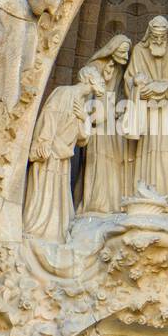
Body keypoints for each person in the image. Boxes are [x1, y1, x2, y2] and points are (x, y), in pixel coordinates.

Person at [122, 16, 168, 214]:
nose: (159, 41)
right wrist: (137, 85)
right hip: (147, 113)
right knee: (146, 153)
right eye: (155, 37)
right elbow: (130, 81)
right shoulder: (138, 51)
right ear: (149, 35)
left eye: (163, 37)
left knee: (167, 157)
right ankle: (145, 200)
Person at [24, 72, 101, 241]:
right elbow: (50, 114)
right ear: (89, 79)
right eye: (99, 79)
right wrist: (44, 140)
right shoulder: (64, 92)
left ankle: (53, 232)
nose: (101, 83)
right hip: (50, 151)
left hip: (62, 156)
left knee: (56, 193)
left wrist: (84, 119)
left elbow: (82, 139)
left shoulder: (80, 104)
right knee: (44, 190)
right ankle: (36, 228)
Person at [78, 33, 131, 215]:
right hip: (97, 120)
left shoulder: (120, 69)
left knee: (114, 160)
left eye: (126, 52)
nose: (125, 56)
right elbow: (86, 93)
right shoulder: (95, 67)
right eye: (122, 51)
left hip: (111, 120)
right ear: (112, 49)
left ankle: (112, 201)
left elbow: (122, 95)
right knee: (97, 158)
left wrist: (119, 109)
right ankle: (96, 203)